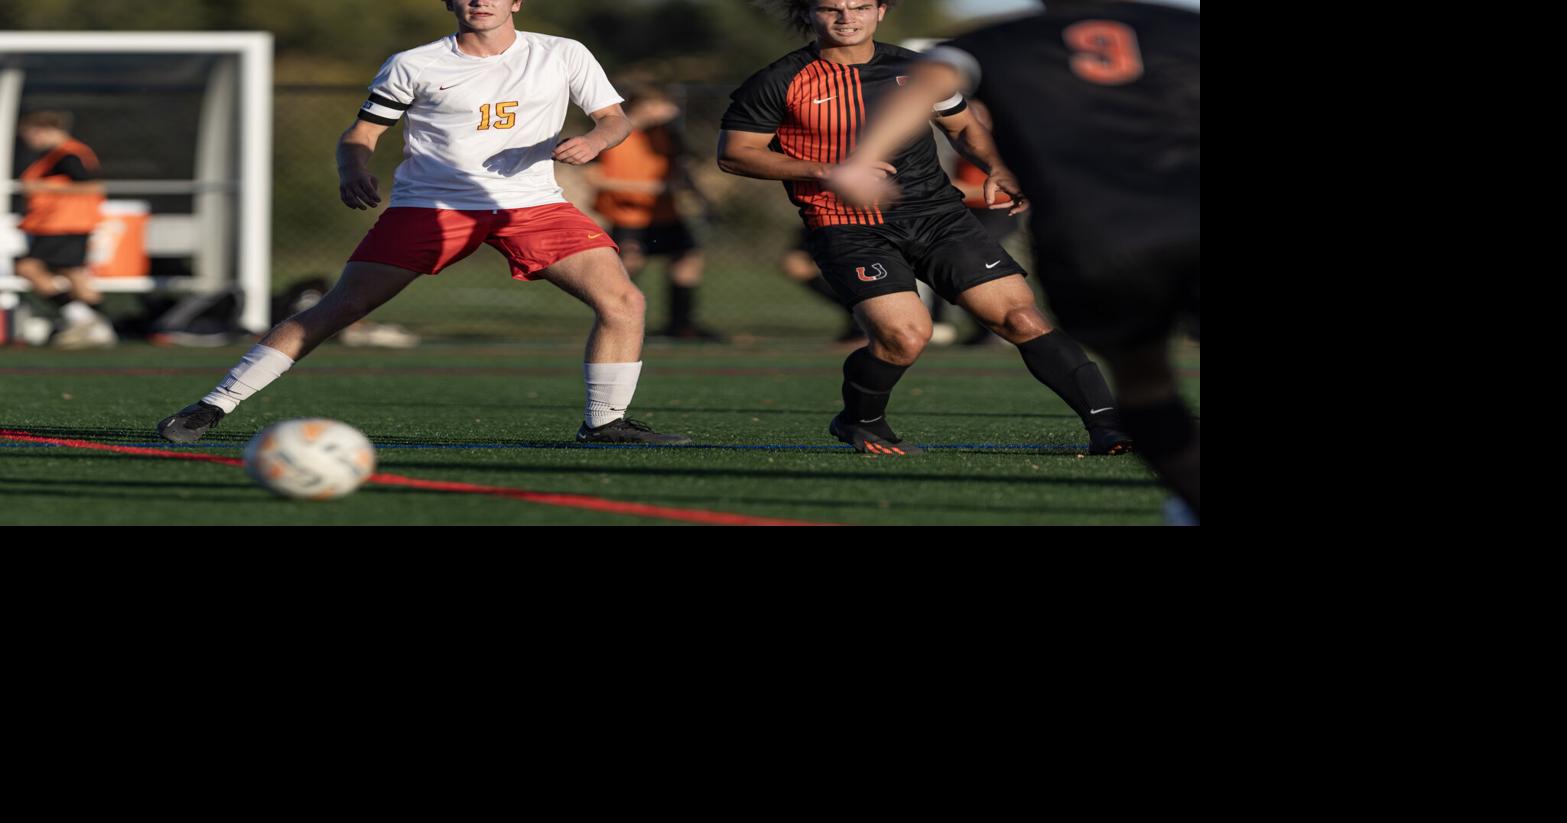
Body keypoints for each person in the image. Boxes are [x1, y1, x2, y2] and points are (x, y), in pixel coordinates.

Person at [157, 0, 689, 446]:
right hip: (432, 206)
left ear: (516, 2)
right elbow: (361, 134)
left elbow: (614, 120)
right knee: (343, 306)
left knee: (624, 302)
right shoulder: (414, 63)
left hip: (533, 204)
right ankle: (213, 405)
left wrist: (595, 142)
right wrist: (351, 170)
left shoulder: (562, 53)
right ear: (451, 3)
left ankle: (604, 423)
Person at [828, 0, 1199, 514]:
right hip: (1188, 216)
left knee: (1144, 378)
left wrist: (862, 159)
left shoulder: (1000, 40)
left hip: (1097, 237)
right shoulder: (1182, 26)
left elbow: (929, 78)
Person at [719, 0, 1131, 456]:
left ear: (881, 11)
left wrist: (997, 166)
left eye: (859, 6)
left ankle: (1110, 428)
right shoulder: (778, 80)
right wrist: (826, 170)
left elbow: (962, 127)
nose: (846, 17)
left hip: (938, 216)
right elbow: (735, 153)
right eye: (831, 8)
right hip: (845, 224)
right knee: (905, 336)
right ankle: (859, 420)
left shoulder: (916, 69)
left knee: (1021, 318)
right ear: (809, 15)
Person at [586, 84, 721, 341]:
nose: (670, 112)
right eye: (663, 106)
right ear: (645, 107)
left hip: (664, 214)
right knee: (629, 263)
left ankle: (681, 325)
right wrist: (649, 188)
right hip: (628, 215)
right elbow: (594, 179)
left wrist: (700, 199)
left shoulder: (667, 136)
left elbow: (682, 172)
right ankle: (618, 321)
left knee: (686, 259)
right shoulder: (612, 134)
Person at [13, 110, 116, 349]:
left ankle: (84, 319)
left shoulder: (68, 154)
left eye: (29, 134)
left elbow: (93, 187)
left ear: (43, 130)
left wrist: (42, 186)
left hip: (63, 224)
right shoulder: (58, 155)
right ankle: (101, 327)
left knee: (28, 268)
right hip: (60, 224)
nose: (29, 140)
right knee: (73, 273)